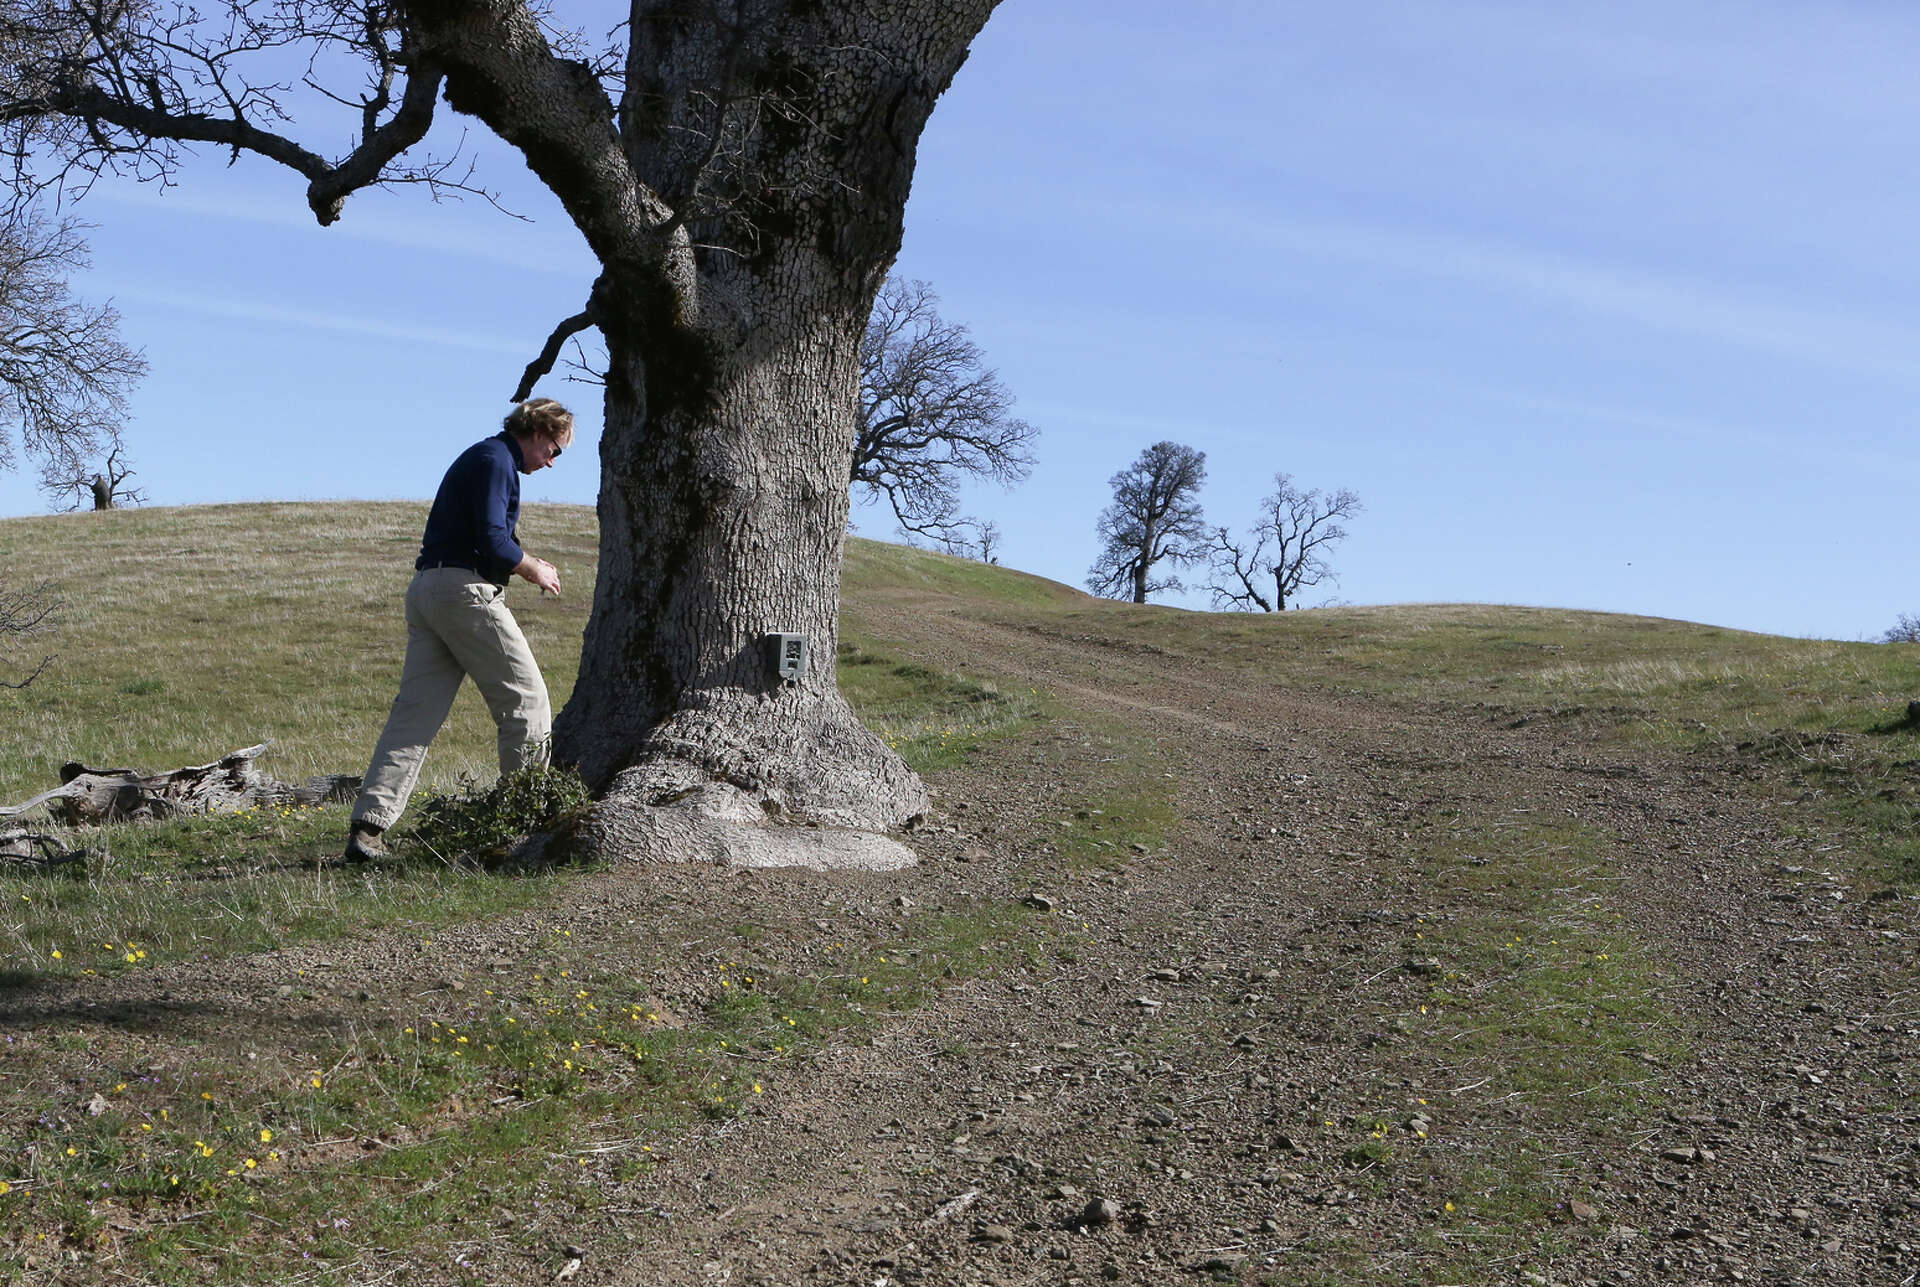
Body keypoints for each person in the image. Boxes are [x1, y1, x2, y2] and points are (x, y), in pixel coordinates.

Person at [341, 398, 575, 863]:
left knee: (415, 715)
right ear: (538, 432)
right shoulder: (496, 461)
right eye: (556, 450)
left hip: (429, 589)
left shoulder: (486, 457)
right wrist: (532, 569)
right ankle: (520, 828)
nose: (552, 462)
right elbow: (491, 538)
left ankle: (368, 830)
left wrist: (525, 557)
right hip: (463, 592)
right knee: (527, 702)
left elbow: (484, 533)